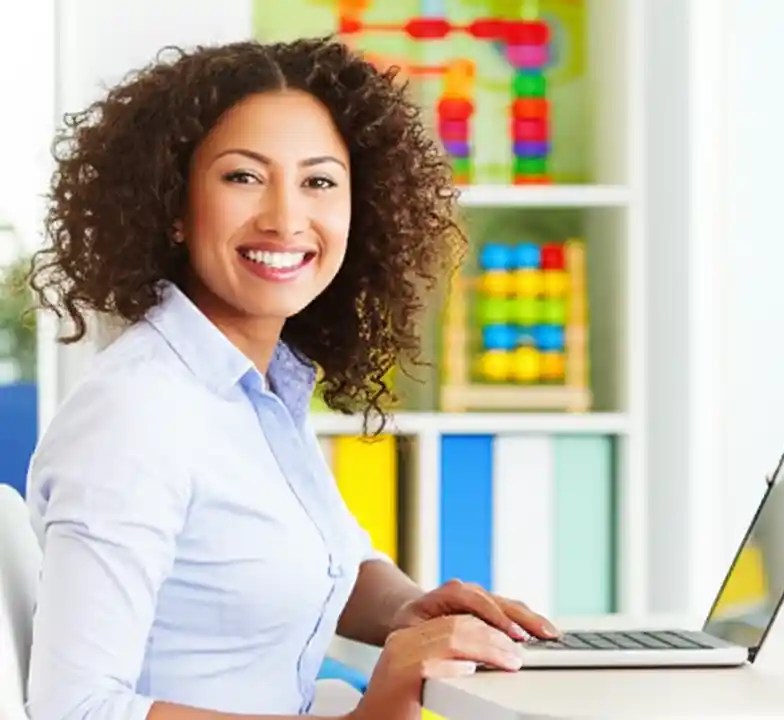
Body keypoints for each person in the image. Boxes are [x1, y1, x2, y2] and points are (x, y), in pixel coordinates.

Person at [23, 36, 558, 720]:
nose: (285, 218)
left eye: (319, 181)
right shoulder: (139, 413)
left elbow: (331, 558)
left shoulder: (258, 384)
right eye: (243, 177)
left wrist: (407, 609)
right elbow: (78, 711)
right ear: (175, 209)